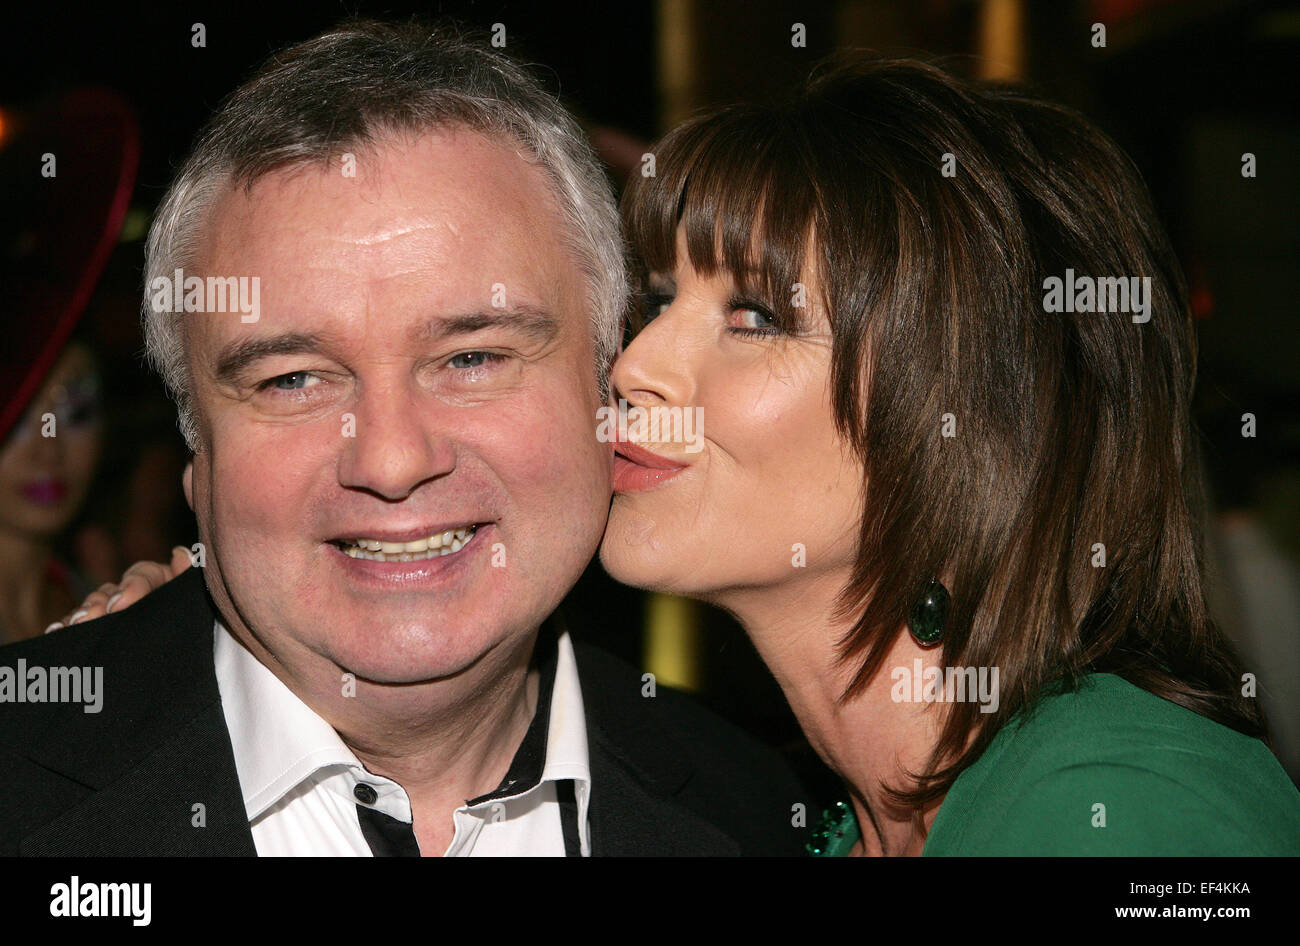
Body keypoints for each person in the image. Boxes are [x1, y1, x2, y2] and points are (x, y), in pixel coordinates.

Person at [54, 55, 1300, 857]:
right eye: (659, 299)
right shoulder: (807, 822)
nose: (636, 366)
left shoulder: (1125, 810)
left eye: (751, 316)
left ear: (955, 407)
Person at [0, 19, 806, 857]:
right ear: (194, 455)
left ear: (609, 385)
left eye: (471, 357)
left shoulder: (753, 810)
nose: (390, 460)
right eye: (293, 379)